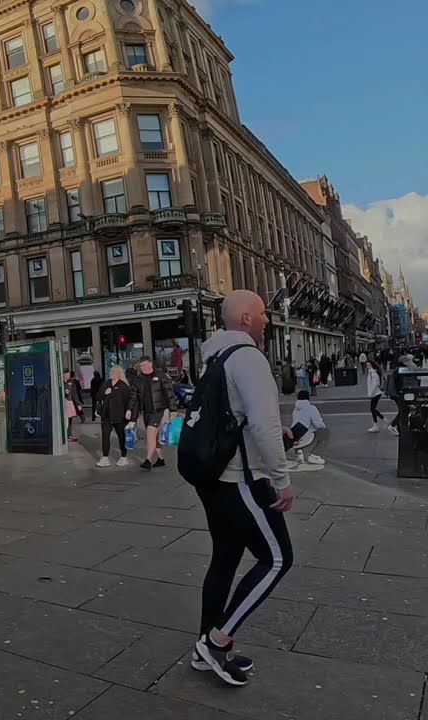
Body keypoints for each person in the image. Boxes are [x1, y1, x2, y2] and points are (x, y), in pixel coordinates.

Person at [190, 289, 294, 687]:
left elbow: (236, 417)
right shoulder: (248, 357)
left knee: (225, 559)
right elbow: (263, 423)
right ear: (246, 319)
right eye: (262, 313)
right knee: (277, 559)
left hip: (213, 478)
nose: (267, 320)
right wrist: (281, 480)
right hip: (241, 481)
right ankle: (217, 642)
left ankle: (204, 648)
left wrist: (272, 432)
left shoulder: (215, 355)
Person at [130, 356, 176, 469]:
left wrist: (173, 409)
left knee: (150, 433)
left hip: (159, 409)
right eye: (141, 366)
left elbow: (169, 392)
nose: (143, 368)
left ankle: (148, 459)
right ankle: (160, 458)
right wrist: (129, 410)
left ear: (151, 364)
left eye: (145, 365)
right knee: (154, 437)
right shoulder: (138, 379)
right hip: (146, 411)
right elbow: (133, 397)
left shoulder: (160, 376)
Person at [95, 366, 132, 467]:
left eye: (114, 372)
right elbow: (98, 396)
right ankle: (105, 458)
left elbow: (128, 400)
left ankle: (123, 457)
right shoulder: (106, 383)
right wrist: (104, 393)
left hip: (119, 416)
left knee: (121, 436)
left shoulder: (123, 386)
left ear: (119, 374)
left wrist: (128, 411)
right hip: (106, 415)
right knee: (105, 436)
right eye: (111, 371)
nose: (111, 373)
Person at [290, 390, 329, 466]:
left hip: (295, 439)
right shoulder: (311, 408)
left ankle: (299, 452)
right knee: (326, 432)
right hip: (306, 439)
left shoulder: (295, 410)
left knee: (304, 432)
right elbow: (319, 424)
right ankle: (314, 456)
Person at [366, 359, 386, 433]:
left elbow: (375, 384)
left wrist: (371, 394)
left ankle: (383, 420)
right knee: (373, 409)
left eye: (369, 365)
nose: (367, 367)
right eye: (367, 365)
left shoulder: (373, 373)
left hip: (376, 393)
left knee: (372, 409)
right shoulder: (371, 372)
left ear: (372, 365)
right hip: (375, 393)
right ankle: (376, 425)